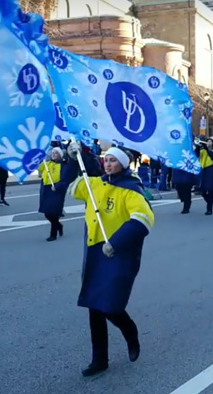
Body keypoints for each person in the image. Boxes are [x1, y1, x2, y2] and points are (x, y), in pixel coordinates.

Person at [65, 143, 152, 377]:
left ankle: (130, 333)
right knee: (94, 306)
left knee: (111, 306)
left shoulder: (132, 189)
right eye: (106, 159)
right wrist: (74, 159)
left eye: (113, 160)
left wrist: (116, 242)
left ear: (123, 164)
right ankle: (99, 359)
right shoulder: (96, 183)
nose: (108, 163)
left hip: (117, 253)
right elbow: (70, 186)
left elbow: (144, 220)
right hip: (95, 252)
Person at [38, 147, 72, 241]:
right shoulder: (47, 163)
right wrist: (40, 158)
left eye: (56, 153)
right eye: (53, 153)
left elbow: (65, 180)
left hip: (57, 190)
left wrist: (57, 186)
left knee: (53, 213)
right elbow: (39, 168)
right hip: (47, 189)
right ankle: (59, 225)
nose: (54, 154)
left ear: (60, 155)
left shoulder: (64, 166)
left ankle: (53, 234)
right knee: (47, 213)